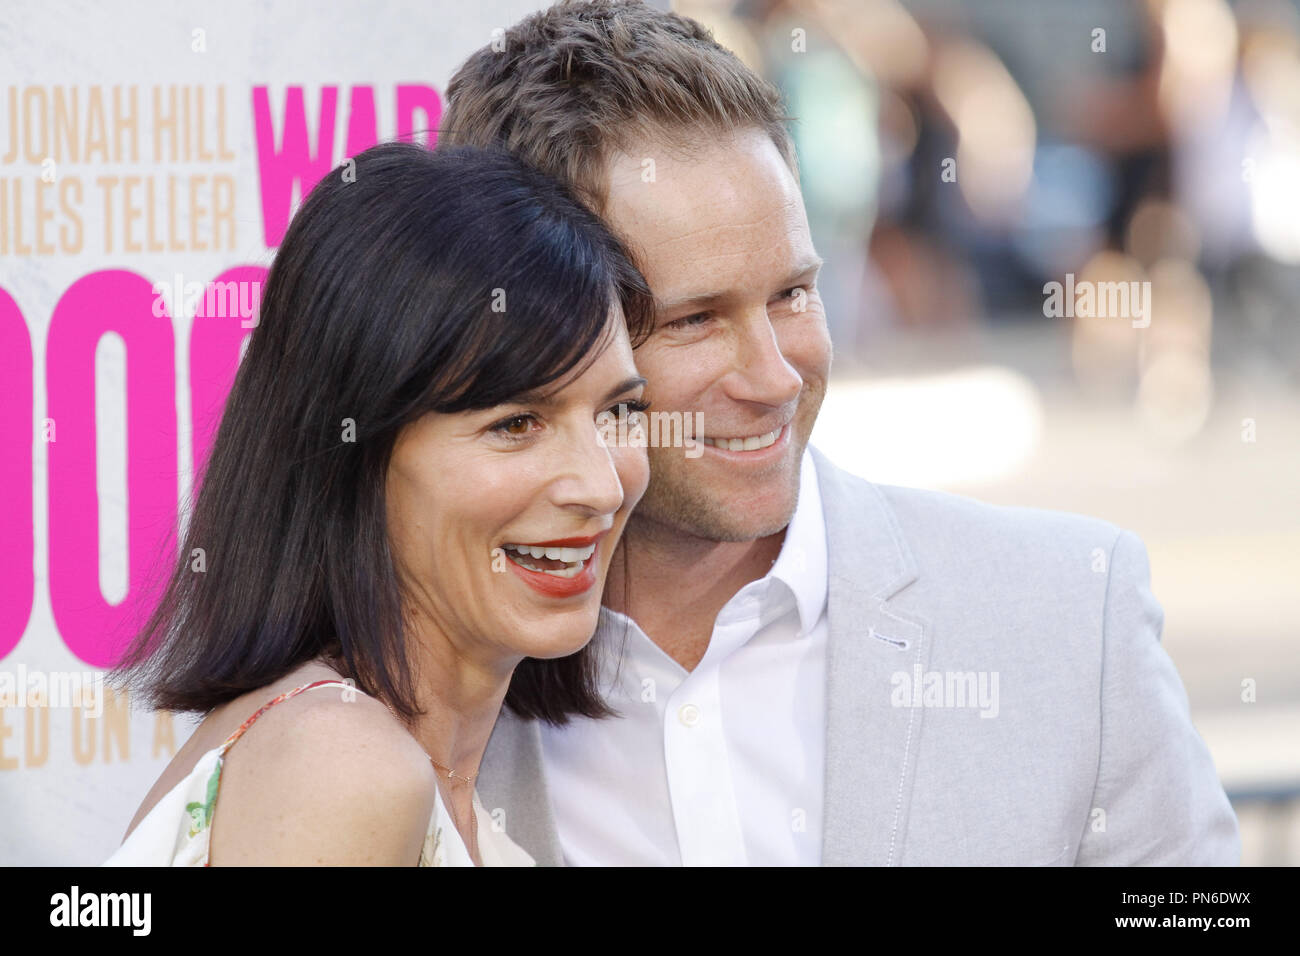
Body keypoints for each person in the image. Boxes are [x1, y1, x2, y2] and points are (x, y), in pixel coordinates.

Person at [440, 0, 1241, 866]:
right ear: (530, 336)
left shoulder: (1073, 619)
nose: (777, 376)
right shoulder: (409, 681)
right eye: (695, 321)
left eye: (793, 294)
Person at [103, 141, 655, 866]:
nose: (602, 487)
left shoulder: (393, 772)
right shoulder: (342, 767)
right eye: (516, 424)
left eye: (617, 413)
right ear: (354, 452)